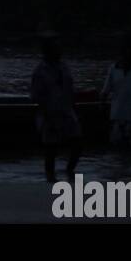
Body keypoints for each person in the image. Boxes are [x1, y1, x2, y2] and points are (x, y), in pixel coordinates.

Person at [30, 33, 82, 182]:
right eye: (57, 49)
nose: (61, 51)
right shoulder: (40, 71)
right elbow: (37, 97)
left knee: (78, 145)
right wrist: (47, 117)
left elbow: (70, 89)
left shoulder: (64, 67)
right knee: (51, 152)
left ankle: (68, 172)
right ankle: (51, 181)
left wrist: (74, 110)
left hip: (67, 112)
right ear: (49, 52)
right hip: (49, 114)